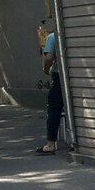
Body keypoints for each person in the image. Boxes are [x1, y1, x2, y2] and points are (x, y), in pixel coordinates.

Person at [37, 19, 63, 155]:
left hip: (59, 77)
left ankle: (50, 144)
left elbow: (48, 58)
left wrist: (46, 70)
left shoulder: (52, 37)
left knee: (54, 108)